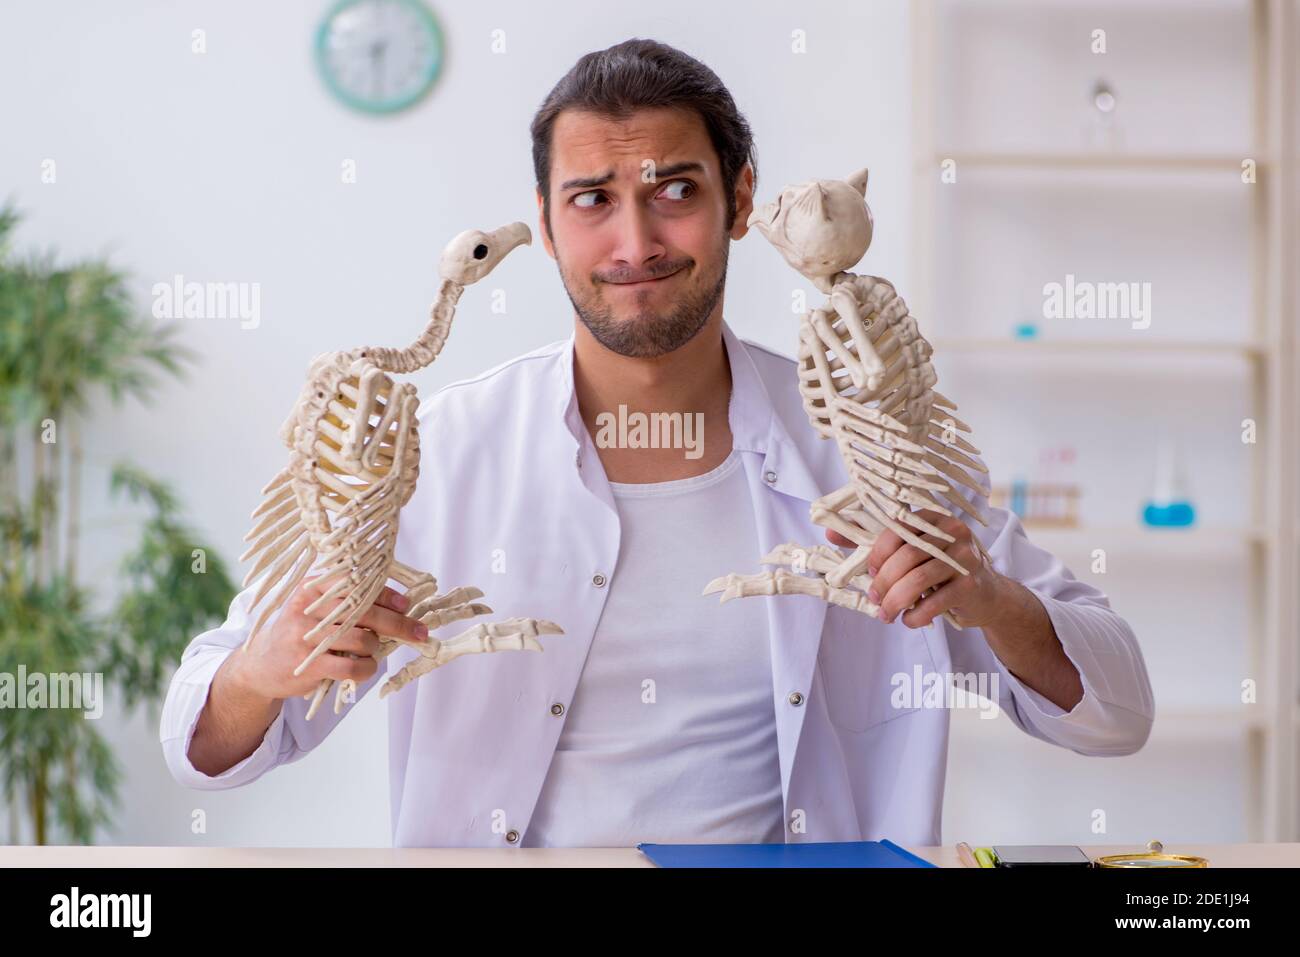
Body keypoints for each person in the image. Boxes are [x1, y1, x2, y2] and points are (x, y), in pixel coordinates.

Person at [161, 38, 1153, 848]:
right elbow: (201, 744)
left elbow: (1117, 712)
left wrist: (990, 602)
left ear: (740, 200)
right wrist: (263, 669)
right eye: (592, 200)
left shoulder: (866, 439)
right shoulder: (437, 451)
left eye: (674, 190)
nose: (635, 242)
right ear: (546, 227)